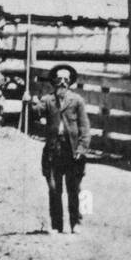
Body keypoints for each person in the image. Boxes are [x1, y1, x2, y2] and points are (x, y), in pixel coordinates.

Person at [25, 64, 91, 234]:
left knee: (74, 189)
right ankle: (56, 226)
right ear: (54, 81)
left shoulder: (77, 101)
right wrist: (29, 102)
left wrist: (82, 148)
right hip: (54, 150)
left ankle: (75, 223)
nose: (62, 83)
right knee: (54, 189)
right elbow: (36, 112)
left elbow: (84, 127)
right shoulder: (48, 100)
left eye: (66, 80)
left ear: (70, 82)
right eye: (59, 79)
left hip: (72, 151)